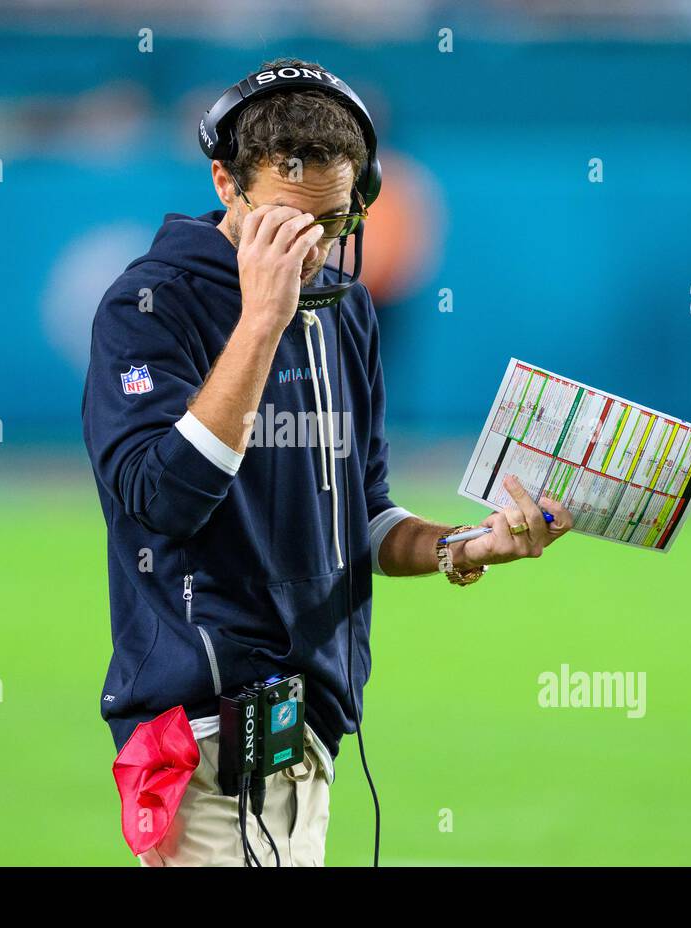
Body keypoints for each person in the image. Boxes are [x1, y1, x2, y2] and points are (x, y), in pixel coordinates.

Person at [82, 58, 573, 867]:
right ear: (224, 182)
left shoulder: (346, 317)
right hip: (200, 743)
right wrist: (260, 323)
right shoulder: (149, 305)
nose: (310, 253)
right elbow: (161, 498)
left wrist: (464, 545)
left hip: (307, 731)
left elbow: (365, 515)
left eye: (333, 224)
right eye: (286, 225)